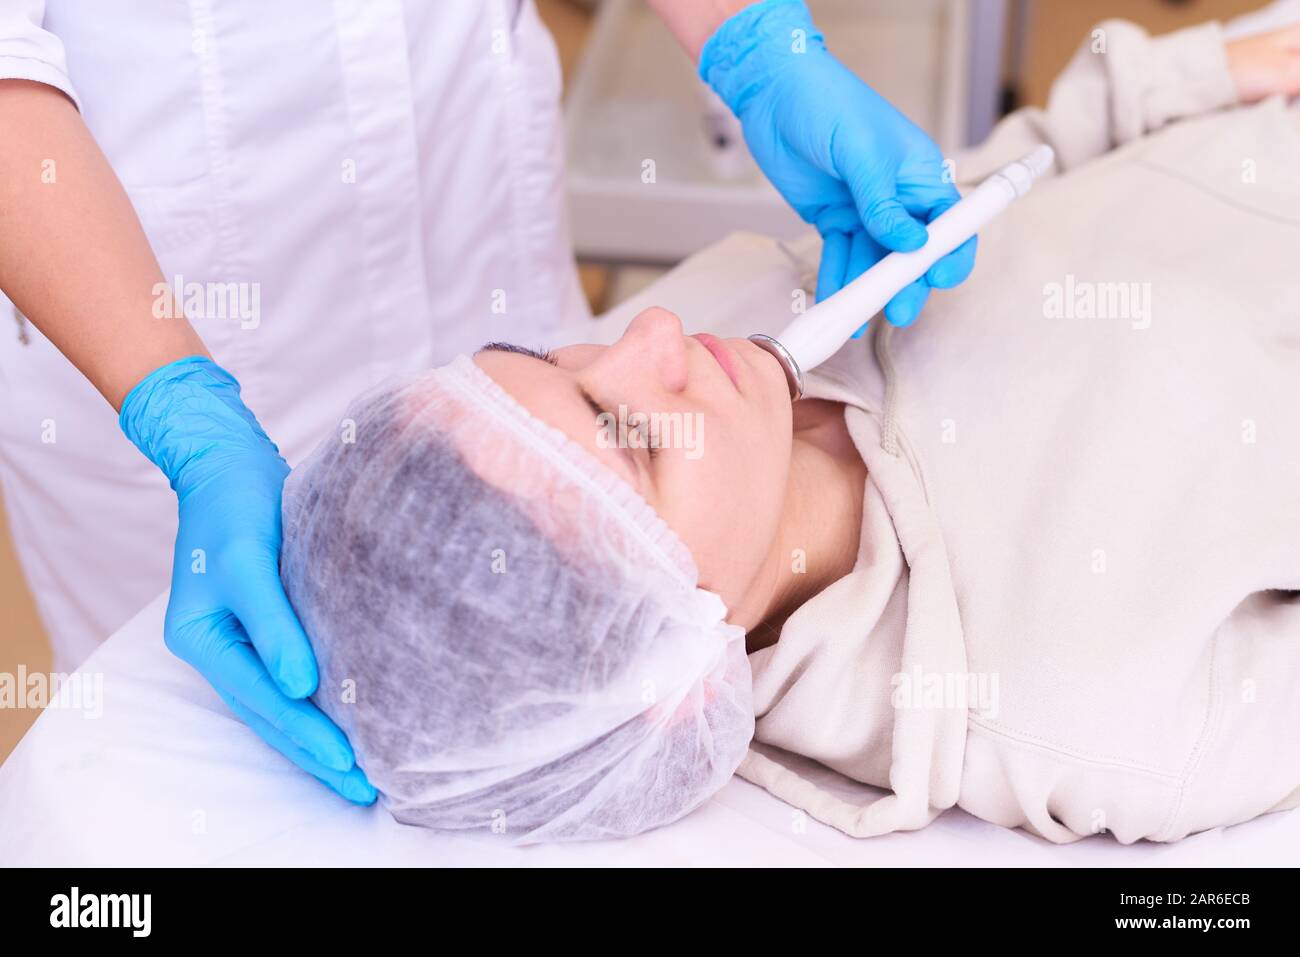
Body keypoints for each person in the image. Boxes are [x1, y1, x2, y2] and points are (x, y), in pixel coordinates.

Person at [279, 15, 1300, 842]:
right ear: (665, 686)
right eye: (632, 439)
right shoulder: (1087, 707)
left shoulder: (742, 353)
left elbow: (1005, 189)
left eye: (556, 360)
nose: (651, 330)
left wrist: (1187, 77)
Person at [0, 0, 973, 803]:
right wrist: (182, 417)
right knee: (217, 782)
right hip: (128, 321)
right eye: (628, 431)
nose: (656, 335)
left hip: (474, 223)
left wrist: (747, 42)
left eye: (618, 417)